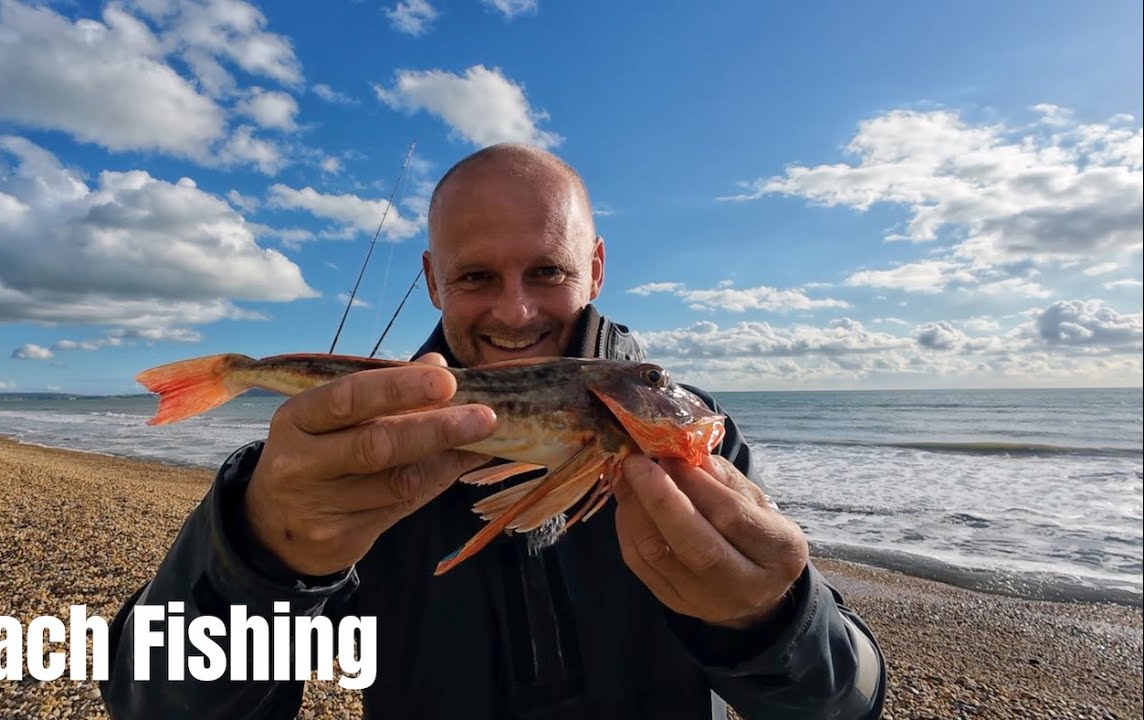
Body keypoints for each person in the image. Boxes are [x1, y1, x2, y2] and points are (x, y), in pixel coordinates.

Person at [100, 143, 887, 719]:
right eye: (476, 276)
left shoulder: (694, 436)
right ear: (434, 278)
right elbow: (148, 705)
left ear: (597, 267)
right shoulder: (327, 471)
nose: (515, 313)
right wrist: (260, 558)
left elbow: (843, 707)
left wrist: (772, 617)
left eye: (547, 270)